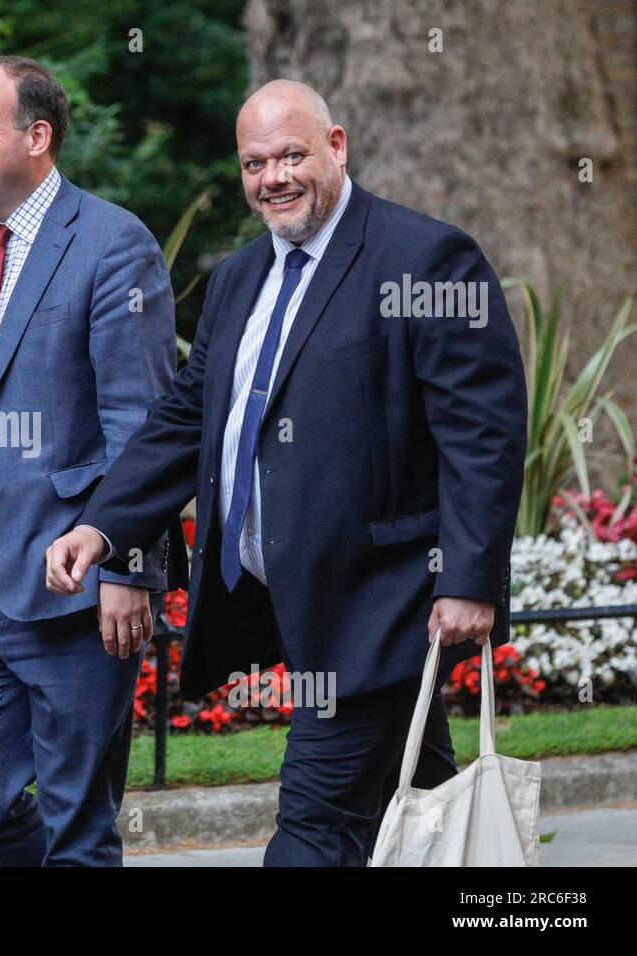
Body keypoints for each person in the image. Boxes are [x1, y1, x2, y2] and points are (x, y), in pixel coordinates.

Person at [45, 79, 527, 866]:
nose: (274, 178)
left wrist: (468, 578)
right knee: (417, 805)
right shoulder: (240, 278)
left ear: (336, 148)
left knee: (312, 829)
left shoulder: (425, 257)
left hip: (383, 601)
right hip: (297, 603)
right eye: (254, 163)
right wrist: (102, 525)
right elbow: (184, 421)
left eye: (292, 155)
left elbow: (482, 435)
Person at [0, 55, 187, 866]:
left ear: (38, 135)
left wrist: (129, 563)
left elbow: (143, 425)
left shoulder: (111, 243)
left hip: (73, 589)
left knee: (77, 821)